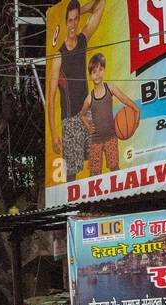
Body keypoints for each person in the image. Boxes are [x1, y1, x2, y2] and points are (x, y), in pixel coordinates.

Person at [47, 0, 109, 182]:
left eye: (76, 19)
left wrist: (81, 10)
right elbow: (50, 99)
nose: (73, 24)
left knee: (96, 162)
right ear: (66, 22)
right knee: (72, 173)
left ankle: (95, 206)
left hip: (87, 114)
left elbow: (100, 5)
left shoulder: (83, 40)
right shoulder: (59, 56)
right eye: (70, 20)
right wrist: (53, 134)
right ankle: (72, 209)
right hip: (69, 120)